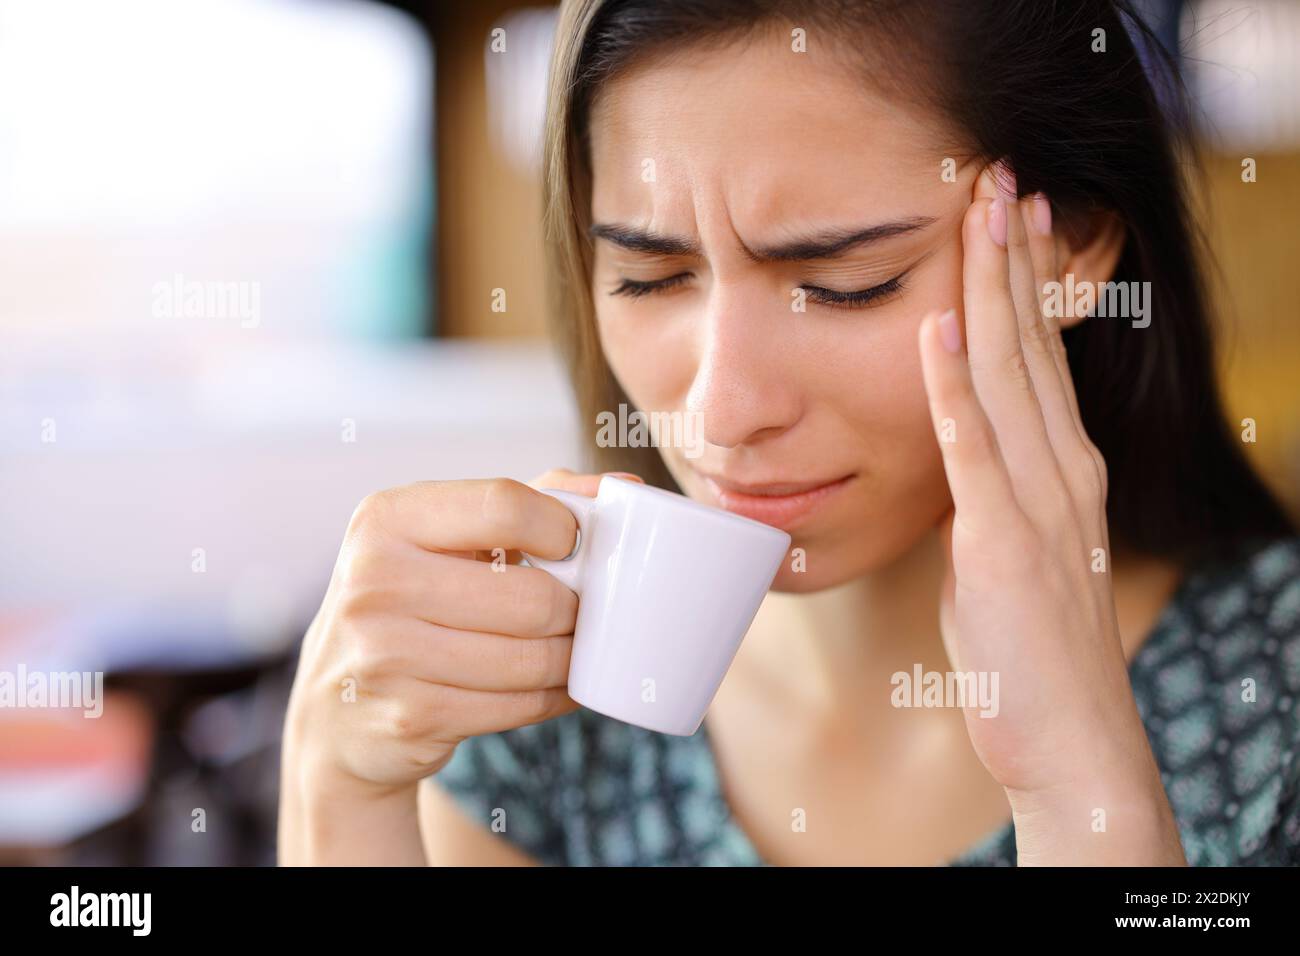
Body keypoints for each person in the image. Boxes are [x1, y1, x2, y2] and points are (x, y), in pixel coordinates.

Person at [277, 0, 1300, 866]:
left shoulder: (1275, 692)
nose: (720, 410)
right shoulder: (530, 723)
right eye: (648, 274)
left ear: (1069, 247)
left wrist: (1084, 783)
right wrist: (338, 791)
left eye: (842, 283)